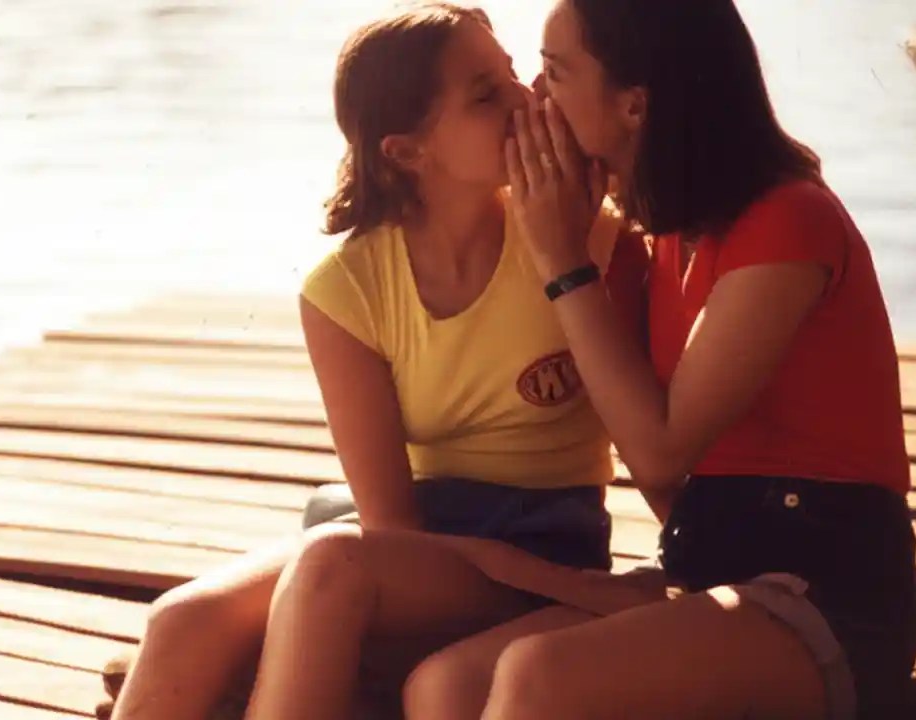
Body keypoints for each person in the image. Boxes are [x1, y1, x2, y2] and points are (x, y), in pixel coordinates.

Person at [105, 4, 649, 719]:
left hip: (551, 533)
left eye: (513, 73)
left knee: (328, 566)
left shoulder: (586, 240)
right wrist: (566, 588)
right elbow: (393, 526)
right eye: (486, 96)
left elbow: (653, 436)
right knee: (180, 621)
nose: (525, 100)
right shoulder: (346, 289)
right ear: (407, 152)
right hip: (420, 545)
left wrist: (573, 583)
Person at [408, 1, 916, 718]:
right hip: (710, 572)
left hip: (830, 598)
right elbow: (666, 483)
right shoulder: (656, 242)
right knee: (445, 684)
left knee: (538, 675)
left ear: (634, 106)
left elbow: (659, 452)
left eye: (554, 73)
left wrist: (562, 261)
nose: (534, 95)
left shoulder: (788, 220)